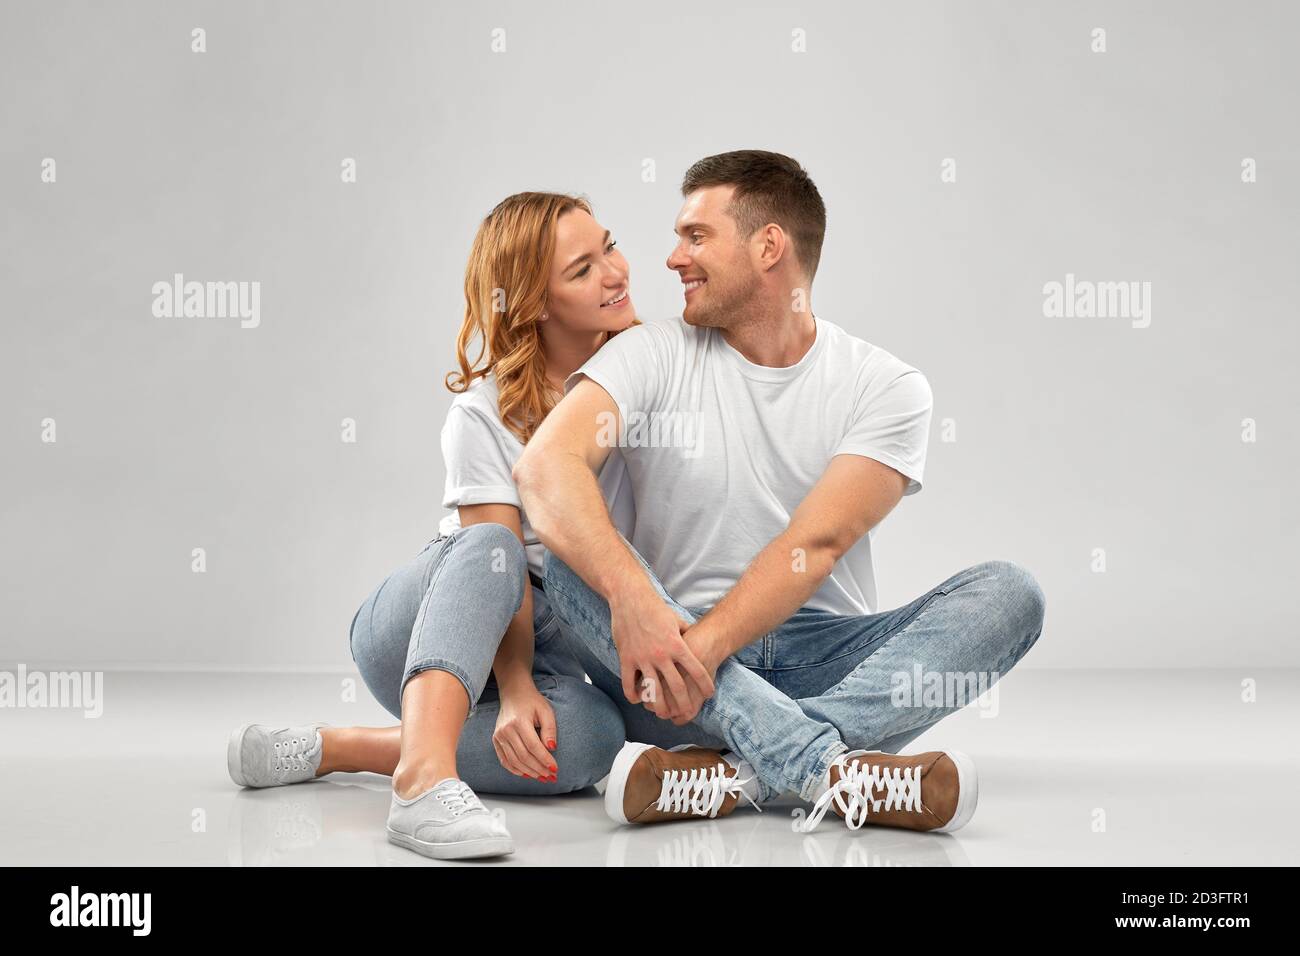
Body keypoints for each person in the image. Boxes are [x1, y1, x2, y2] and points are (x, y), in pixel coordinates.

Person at [514, 150, 1047, 833]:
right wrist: (636, 602)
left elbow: (814, 546)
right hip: (670, 674)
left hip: (818, 665)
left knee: (1011, 593)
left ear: (769, 246)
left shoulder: (885, 386)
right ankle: (832, 769)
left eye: (696, 236)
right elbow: (544, 468)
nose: (673, 259)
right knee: (569, 558)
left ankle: (737, 774)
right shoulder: (649, 354)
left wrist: (703, 654)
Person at [227, 192, 640, 859]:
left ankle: (340, 748)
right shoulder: (481, 413)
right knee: (495, 546)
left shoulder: (640, 382)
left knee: (595, 738)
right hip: (433, 621)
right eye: (583, 268)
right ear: (534, 302)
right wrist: (512, 688)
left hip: (548, 645)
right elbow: (497, 561)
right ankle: (422, 786)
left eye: (611, 246)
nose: (617, 272)